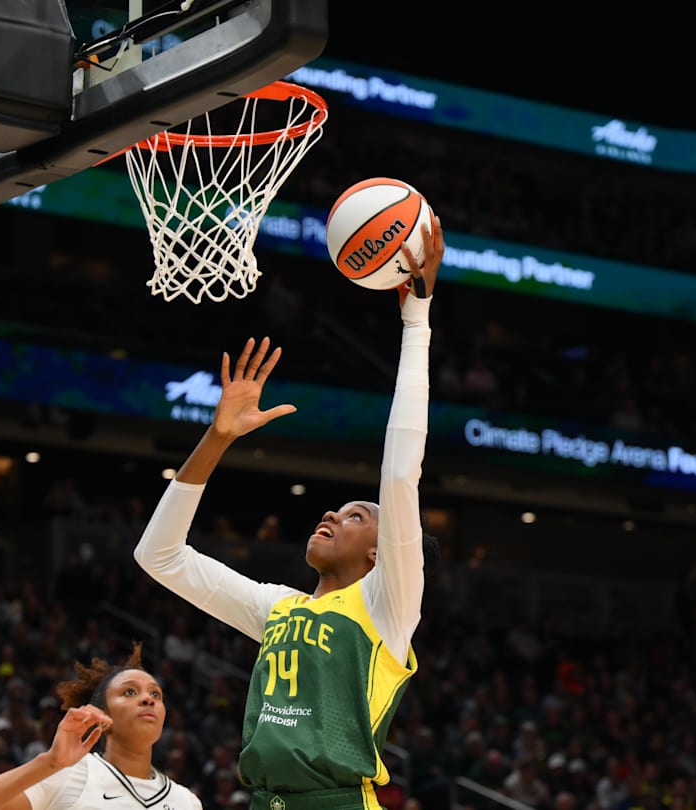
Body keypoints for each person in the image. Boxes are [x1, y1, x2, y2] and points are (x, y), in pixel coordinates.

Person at [133, 210, 445, 810]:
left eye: (356, 516)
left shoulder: (388, 604)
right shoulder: (278, 608)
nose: (332, 515)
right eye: (339, 509)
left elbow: (400, 473)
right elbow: (159, 556)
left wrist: (416, 319)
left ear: (379, 554)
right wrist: (217, 438)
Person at [0, 644, 202, 810]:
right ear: (102, 713)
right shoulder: (71, 774)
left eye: (156, 694)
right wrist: (49, 763)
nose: (148, 699)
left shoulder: (186, 802)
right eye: (129, 692)